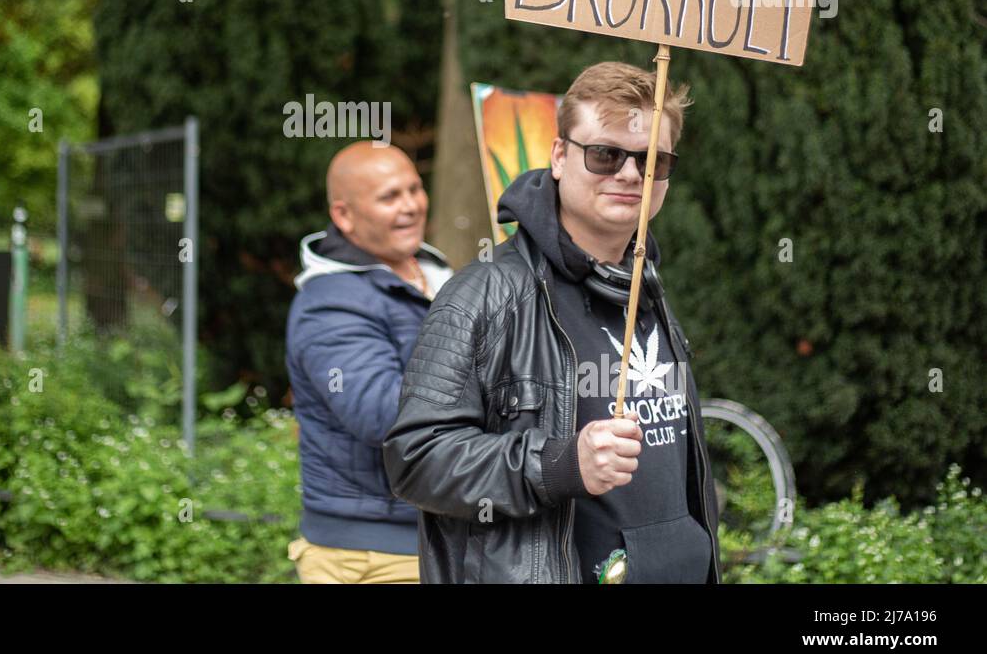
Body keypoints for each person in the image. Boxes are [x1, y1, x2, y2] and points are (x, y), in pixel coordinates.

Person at [383, 61, 722, 584]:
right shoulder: (486, 293)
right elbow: (416, 460)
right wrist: (556, 465)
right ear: (560, 156)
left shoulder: (645, 286)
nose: (631, 174)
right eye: (606, 154)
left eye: (653, 159)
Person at [284, 141, 453, 584]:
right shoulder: (330, 303)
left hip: (435, 538)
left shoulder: (437, 274)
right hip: (369, 554)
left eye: (415, 189)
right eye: (389, 197)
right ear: (344, 216)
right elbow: (384, 415)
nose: (411, 206)